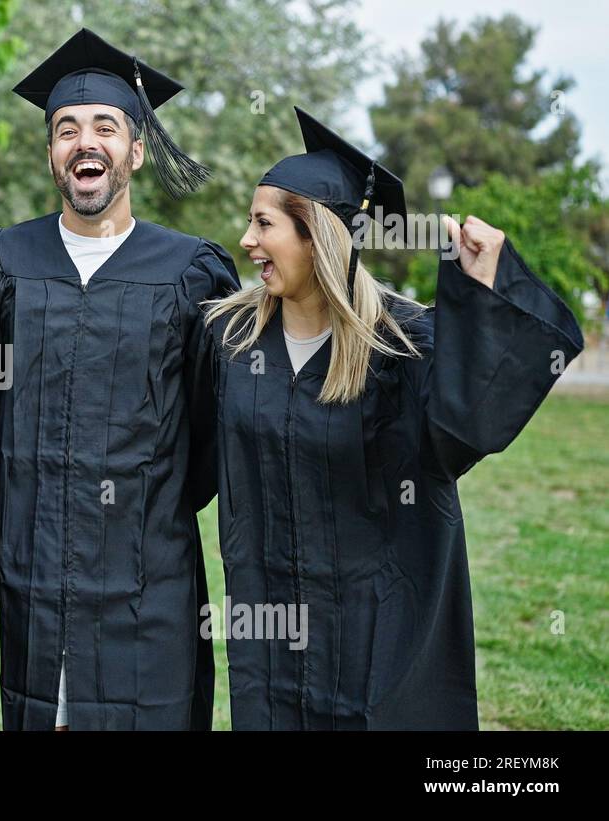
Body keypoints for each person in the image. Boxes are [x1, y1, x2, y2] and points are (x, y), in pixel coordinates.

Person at [204, 107, 585, 729]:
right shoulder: (232, 341)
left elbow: (470, 428)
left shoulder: (404, 347)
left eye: (263, 223)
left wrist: (480, 294)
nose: (246, 240)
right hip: (271, 635)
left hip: (380, 635)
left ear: (317, 237)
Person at [0, 29, 239, 730]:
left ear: (136, 151)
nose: (85, 143)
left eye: (106, 127)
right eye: (66, 129)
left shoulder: (190, 272)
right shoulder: (3, 262)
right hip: (35, 572)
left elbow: (211, 429)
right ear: (50, 152)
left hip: (150, 581)